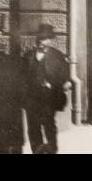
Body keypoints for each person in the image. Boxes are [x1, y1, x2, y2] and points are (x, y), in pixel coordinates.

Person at [22, 23, 69, 154]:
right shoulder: (28, 56)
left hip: (49, 98)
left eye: (45, 39)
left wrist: (52, 84)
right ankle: (36, 151)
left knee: (49, 127)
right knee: (33, 128)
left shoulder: (57, 56)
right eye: (40, 38)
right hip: (31, 99)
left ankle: (52, 151)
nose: (42, 41)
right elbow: (23, 77)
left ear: (50, 40)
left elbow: (65, 76)